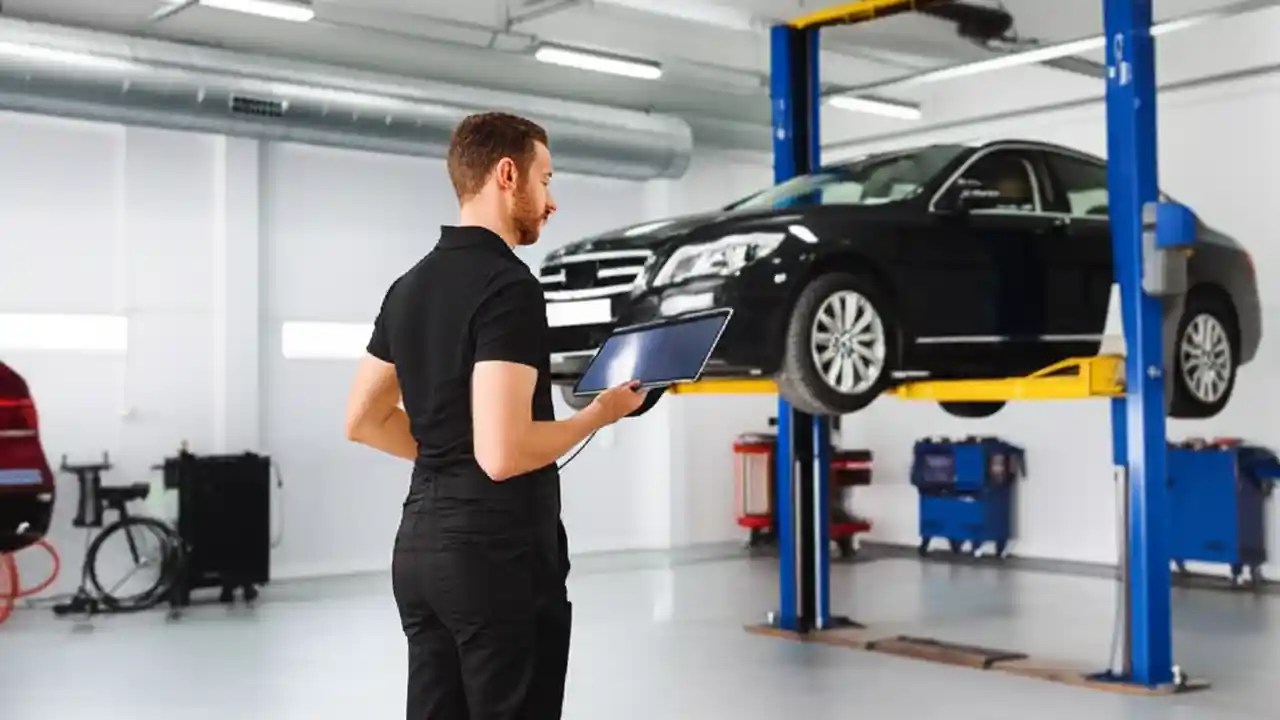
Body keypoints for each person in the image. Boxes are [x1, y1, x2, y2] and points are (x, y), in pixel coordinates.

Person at [343, 111, 647, 719]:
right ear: (508, 175)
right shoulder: (509, 287)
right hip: (496, 561)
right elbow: (503, 455)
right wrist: (601, 414)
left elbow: (364, 419)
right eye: (546, 178)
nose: (552, 201)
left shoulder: (408, 287)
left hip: (420, 554)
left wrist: (448, 456)